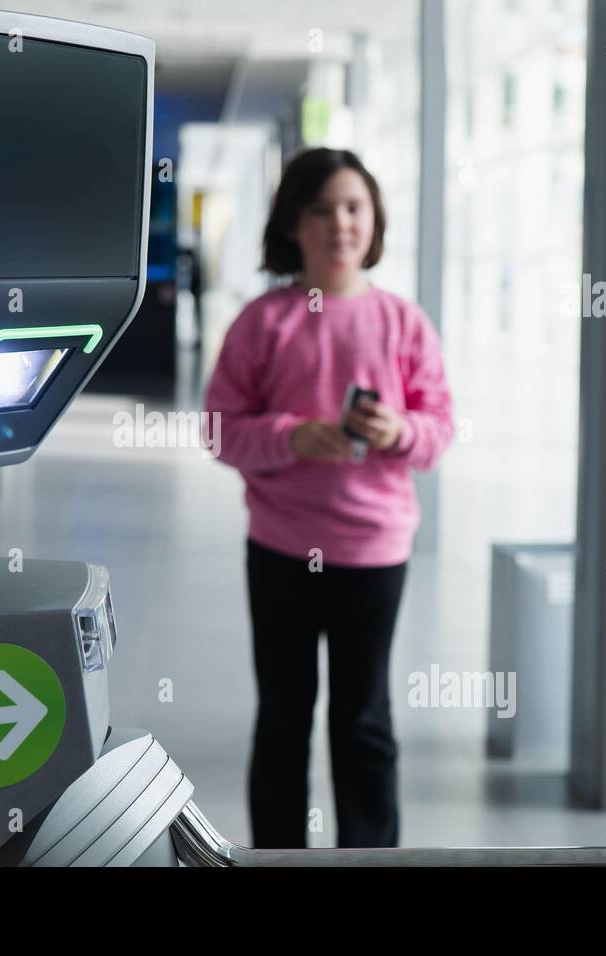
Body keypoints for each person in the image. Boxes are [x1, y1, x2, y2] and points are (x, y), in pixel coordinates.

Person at [202, 147, 454, 849]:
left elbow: (438, 433)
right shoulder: (264, 322)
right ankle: (279, 860)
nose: (340, 224)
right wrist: (290, 437)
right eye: (322, 209)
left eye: (354, 208)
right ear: (293, 224)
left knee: (364, 718)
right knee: (283, 715)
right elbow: (220, 431)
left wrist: (400, 429)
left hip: (373, 550)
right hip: (281, 548)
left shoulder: (404, 324)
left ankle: (370, 861)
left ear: (375, 223)